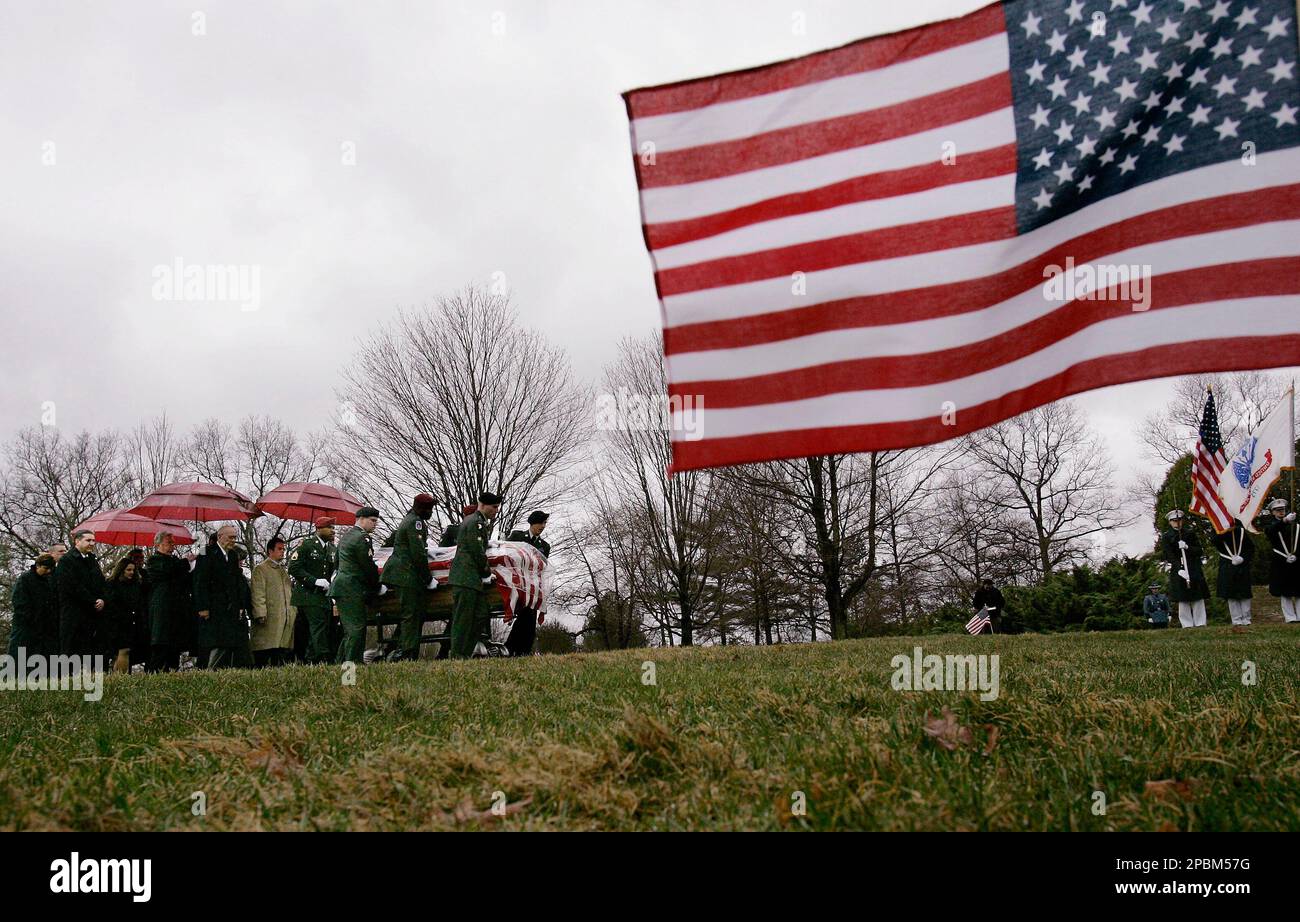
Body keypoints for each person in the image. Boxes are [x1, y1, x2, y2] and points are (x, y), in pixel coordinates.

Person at [382, 493, 437, 661]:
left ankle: (405, 651)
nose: (431, 513)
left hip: (404, 573)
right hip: (405, 574)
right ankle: (405, 653)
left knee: (412, 614)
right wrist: (428, 579)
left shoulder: (410, 519)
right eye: (430, 509)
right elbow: (417, 553)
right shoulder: (416, 523)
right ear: (423, 509)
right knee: (411, 614)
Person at [449, 491, 501, 659]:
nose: (496, 510)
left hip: (470, 578)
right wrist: (486, 572)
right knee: (464, 618)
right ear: (483, 505)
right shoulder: (476, 523)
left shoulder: (475, 521)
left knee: (480, 614)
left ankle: (464, 652)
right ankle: (458, 655)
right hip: (466, 577)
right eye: (494, 507)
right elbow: (477, 551)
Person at [193, 525, 253, 668]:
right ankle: (208, 668)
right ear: (220, 537)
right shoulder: (205, 553)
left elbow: (235, 583)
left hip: (230, 607)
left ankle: (220, 669)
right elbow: (200, 582)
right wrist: (203, 607)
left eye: (235, 537)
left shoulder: (233, 555)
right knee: (214, 641)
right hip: (213, 606)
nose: (233, 540)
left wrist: (239, 605)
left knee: (227, 640)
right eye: (230, 537)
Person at [330, 507, 383, 664]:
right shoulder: (362, 538)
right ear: (361, 519)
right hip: (352, 588)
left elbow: (337, 563)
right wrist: (377, 585)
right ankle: (352, 668)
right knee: (356, 629)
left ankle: (340, 664)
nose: (375, 525)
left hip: (342, 586)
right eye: (372, 521)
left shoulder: (346, 536)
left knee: (350, 630)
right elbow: (368, 566)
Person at [288, 517, 338, 663]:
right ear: (318, 529)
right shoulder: (307, 546)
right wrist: (314, 581)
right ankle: (321, 659)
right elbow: (294, 568)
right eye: (329, 528)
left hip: (324, 596)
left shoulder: (332, 549)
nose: (333, 531)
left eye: (333, 528)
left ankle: (311, 660)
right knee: (318, 628)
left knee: (323, 628)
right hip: (307, 595)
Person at [503, 510, 550, 656]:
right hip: (515, 583)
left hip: (532, 586)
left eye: (544, 523)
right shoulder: (517, 537)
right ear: (532, 523)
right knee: (526, 616)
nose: (542, 526)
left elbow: (542, 567)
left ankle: (516, 649)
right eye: (540, 523)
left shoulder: (545, 546)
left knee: (529, 616)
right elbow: (507, 556)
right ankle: (516, 649)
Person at [146, 532, 192, 671]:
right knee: (161, 643)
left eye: (173, 543)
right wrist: (185, 562)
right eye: (169, 543)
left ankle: (172, 669)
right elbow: (168, 571)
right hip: (162, 606)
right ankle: (155, 670)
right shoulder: (154, 560)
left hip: (177, 607)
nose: (172, 546)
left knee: (175, 643)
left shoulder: (175, 561)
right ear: (158, 544)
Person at [57, 529, 107, 658]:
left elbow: (100, 581)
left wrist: (102, 599)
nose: (92, 543)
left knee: (87, 648)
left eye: (93, 540)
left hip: (91, 613)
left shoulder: (92, 559)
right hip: (73, 612)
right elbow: (72, 586)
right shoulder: (66, 560)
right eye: (88, 540)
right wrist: (92, 601)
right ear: (77, 541)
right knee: (70, 647)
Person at [251, 536, 296, 667]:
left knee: (280, 650)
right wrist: (260, 613)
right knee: (266, 648)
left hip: (284, 616)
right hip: (270, 616)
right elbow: (258, 592)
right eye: (279, 549)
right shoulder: (261, 569)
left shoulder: (283, 571)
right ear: (270, 551)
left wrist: (293, 611)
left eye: (284, 549)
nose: (282, 551)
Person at [1161, 510, 1210, 627]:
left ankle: (1200, 622)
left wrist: (1187, 547)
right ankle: (1186, 624)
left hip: (1193, 568)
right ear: (1170, 522)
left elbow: (1199, 551)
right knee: (1183, 598)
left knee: (1197, 596)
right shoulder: (1167, 536)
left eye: (1179, 520)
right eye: (1174, 521)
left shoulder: (1190, 534)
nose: (1177, 523)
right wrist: (1179, 569)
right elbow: (1168, 555)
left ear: (1182, 521)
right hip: (1179, 569)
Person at [9, 554, 59, 658]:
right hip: (26, 623)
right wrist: (31, 618)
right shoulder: (25, 579)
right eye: (45, 568)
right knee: (20, 650)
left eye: (50, 569)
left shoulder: (50, 579)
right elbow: (19, 602)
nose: (48, 571)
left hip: (45, 623)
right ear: (37, 565)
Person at [1262, 498, 1300, 623]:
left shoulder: (1295, 525)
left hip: (1296, 560)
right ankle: (1290, 617)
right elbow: (1270, 531)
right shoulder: (1270, 525)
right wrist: (1284, 521)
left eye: (1282, 510)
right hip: (1281, 561)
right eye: (1277, 510)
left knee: (1299, 590)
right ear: (1273, 512)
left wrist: (1297, 555)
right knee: (1285, 591)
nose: (1281, 512)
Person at [1213, 520, 1255, 627]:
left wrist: (1243, 558)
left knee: (1244, 593)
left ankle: (1246, 618)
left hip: (1241, 565)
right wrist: (1224, 531)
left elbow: (1250, 548)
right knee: (1231, 594)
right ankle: (1236, 619)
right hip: (1227, 565)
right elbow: (1215, 542)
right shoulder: (1218, 529)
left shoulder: (1240, 531)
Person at [105, 557, 144, 673]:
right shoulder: (112, 584)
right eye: (128, 570)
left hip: (131, 623)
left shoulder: (136, 585)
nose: (132, 572)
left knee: (125, 651)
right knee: (123, 650)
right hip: (117, 623)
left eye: (133, 570)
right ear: (122, 570)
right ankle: (121, 677)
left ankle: (117, 677)